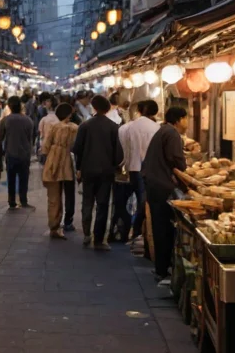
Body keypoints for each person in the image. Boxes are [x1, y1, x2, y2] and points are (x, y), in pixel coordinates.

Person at [71, 95, 124, 250]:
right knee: (102, 204)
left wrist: (79, 168)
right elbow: (118, 154)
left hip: (87, 170)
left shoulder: (85, 126)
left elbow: (77, 150)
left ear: (93, 107)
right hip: (106, 172)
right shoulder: (114, 127)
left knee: (87, 202)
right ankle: (99, 239)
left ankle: (87, 234)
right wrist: (115, 167)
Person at [142, 106, 188, 282]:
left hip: (154, 183)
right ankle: (162, 269)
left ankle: (162, 267)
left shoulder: (164, 130)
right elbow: (176, 160)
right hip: (161, 186)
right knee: (163, 228)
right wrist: (186, 172)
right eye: (186, 118)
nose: (187, 122)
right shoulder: (172, 133)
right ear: (179, 119)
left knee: (161, 226)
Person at [121, 100, 161, 243]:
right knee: (144, 201)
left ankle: (129, 229)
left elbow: (127, 148)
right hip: (147, 169)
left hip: (132, 167)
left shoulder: (131, 127)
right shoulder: (156, 127)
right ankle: (138, 230)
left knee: (134, 200)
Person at [42, 103, 79, 238]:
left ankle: (54, 226)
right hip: (67, 162)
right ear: (69, 114)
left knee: (53, 196)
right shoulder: (75, 128)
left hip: (53, 161)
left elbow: (45, 146)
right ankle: (68, 221)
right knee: (69, 193)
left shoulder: (54, 127)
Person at [0, 95, 35, 209]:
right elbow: (30, 139)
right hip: (24, 155)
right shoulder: (28, 120)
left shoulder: (5, 120)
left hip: (11, 154)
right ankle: (23, 201)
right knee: (24, 178)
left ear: (9, 107)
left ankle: (11, 200)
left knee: (11, 179)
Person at [37, 93, 58, 164]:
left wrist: (41, 148)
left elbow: (42, 136)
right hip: (58, 149)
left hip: (46, 148)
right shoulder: (60, 119)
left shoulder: (44, 120)